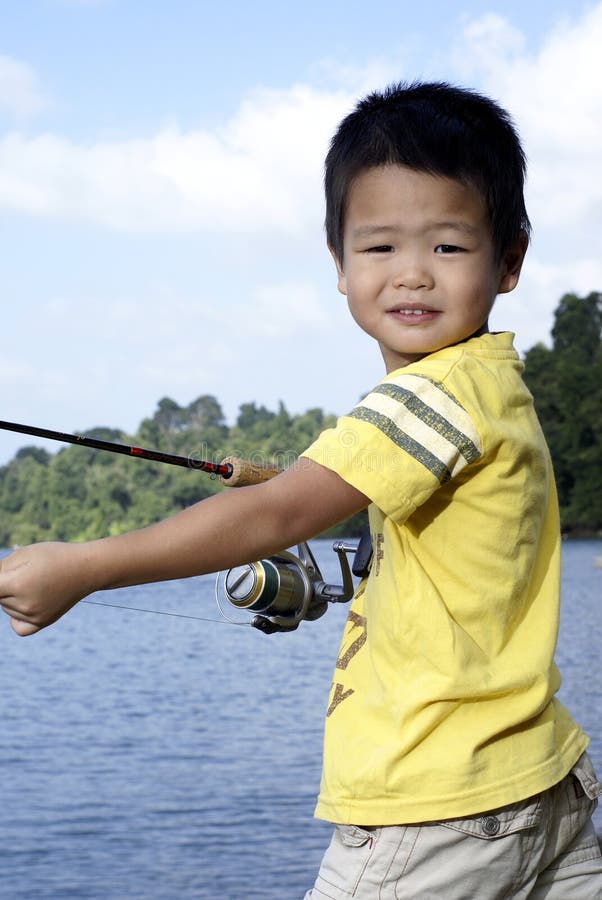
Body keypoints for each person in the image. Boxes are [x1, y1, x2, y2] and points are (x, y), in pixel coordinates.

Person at [1, 81, 601, 898]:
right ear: (339, 262)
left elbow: (278, 512)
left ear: (510, 259)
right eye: (380, 247)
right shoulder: (494, 387)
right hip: (539, 786)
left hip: (434, 812)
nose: (413, 275)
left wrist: (82, 568)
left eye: (448, 247)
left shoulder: (430, 396)